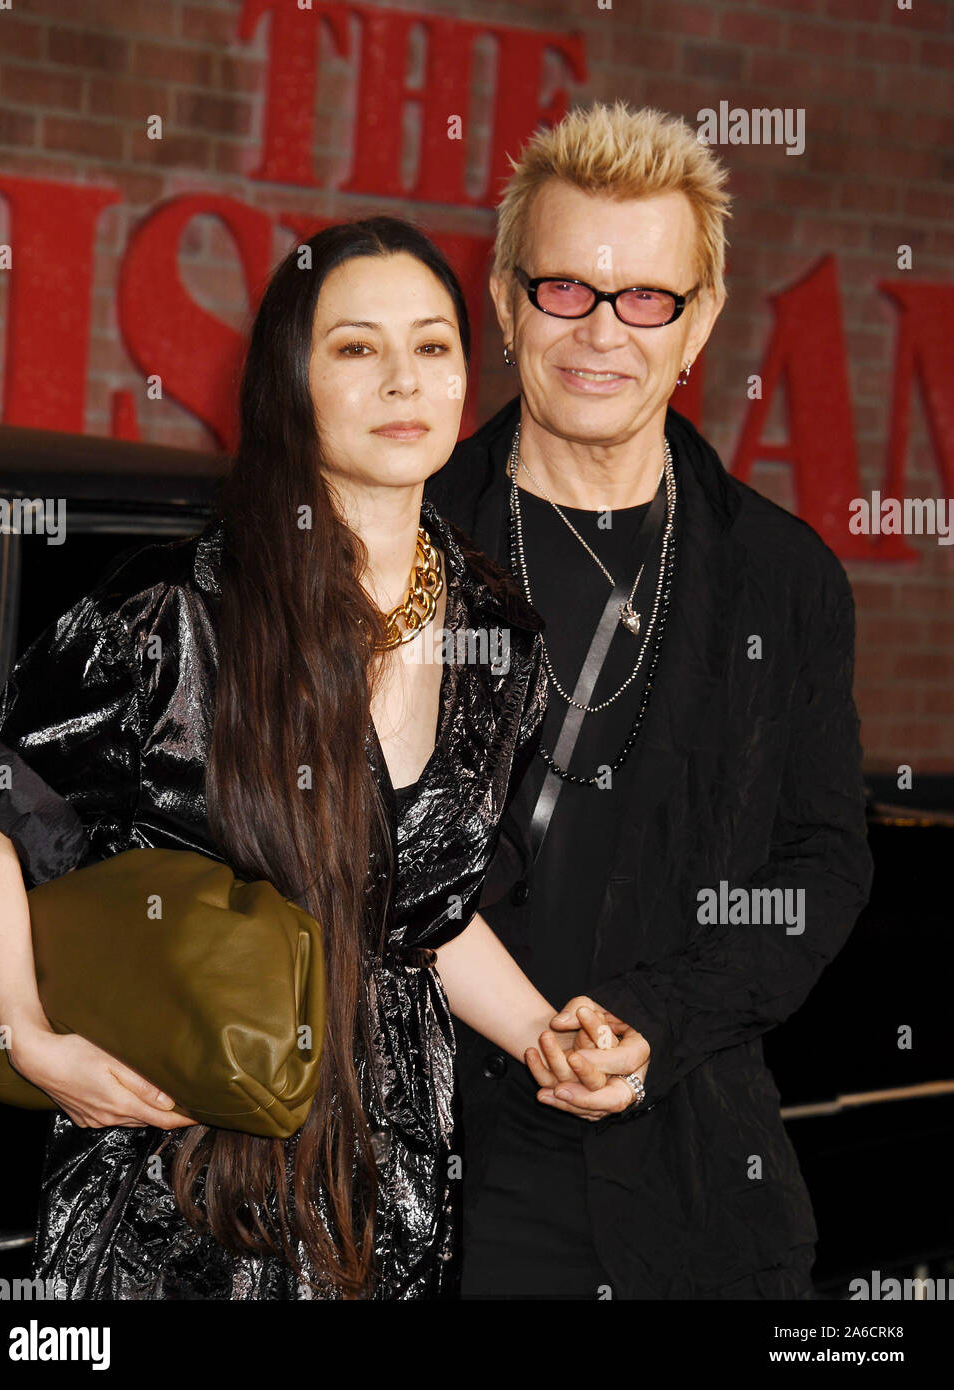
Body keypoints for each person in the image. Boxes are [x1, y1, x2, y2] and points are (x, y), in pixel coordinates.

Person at [0, 216, 628, 1300]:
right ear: (291, 381)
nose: (402, 381)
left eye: (432, 347)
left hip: (389, 1190)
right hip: (179, 1184)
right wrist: (28, 1035)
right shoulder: (172, 613)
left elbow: (417, 918)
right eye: (357, 348)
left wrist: (548, 1033)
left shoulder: (495, 634)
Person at [423, 100, 875, 1300]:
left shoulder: (780, 575)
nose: (599, 333)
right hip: (428, 1182)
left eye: (644, 300)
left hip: (688, 1188)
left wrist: (654, 1021)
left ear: (698, 326)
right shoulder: (402, 541)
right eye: (565, 288)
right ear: (508, 302)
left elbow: (820, 858)